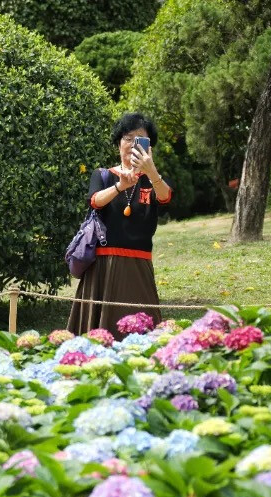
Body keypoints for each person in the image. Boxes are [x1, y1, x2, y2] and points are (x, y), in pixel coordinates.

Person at [67, 112, 172, 335]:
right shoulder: (103, 175)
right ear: (118, 143)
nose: (133, 144)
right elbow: (95, 201)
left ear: (149, 146)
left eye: (140, 140)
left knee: (144, 331)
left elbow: (165, 196)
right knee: (99, 335)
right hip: (104, 267)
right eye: (127, 138)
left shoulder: (154, 179)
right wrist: (119, 187)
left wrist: (151, 170)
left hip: (139, 264)